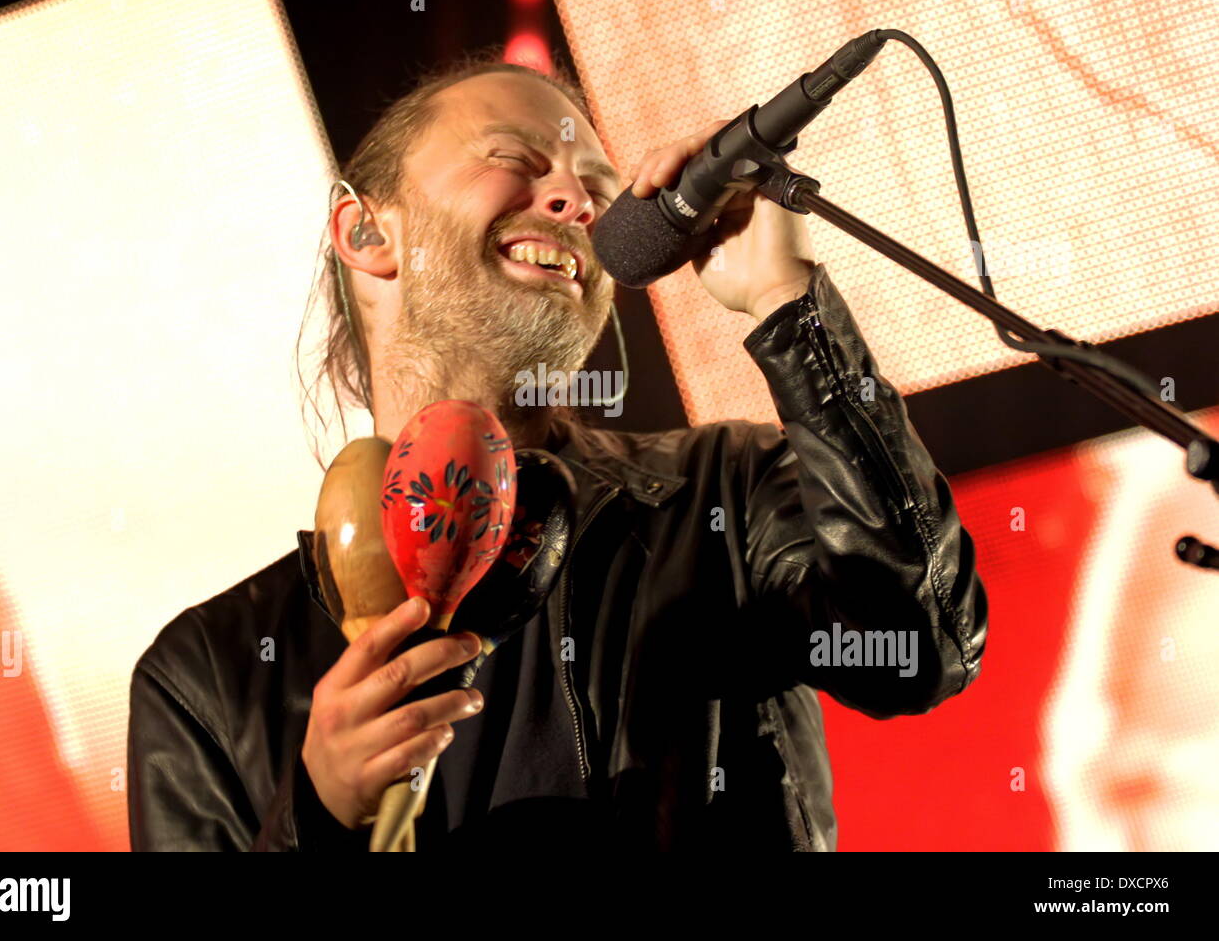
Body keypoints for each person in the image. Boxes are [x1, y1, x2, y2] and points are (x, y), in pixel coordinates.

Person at [127, 53, 988, 851]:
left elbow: (921, 649)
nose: (578, 200)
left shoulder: (722, 495)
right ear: (364, 233)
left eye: (599, 188)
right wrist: (318, 816)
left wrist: (785, 303)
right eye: (514, 156)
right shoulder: (204, 678)